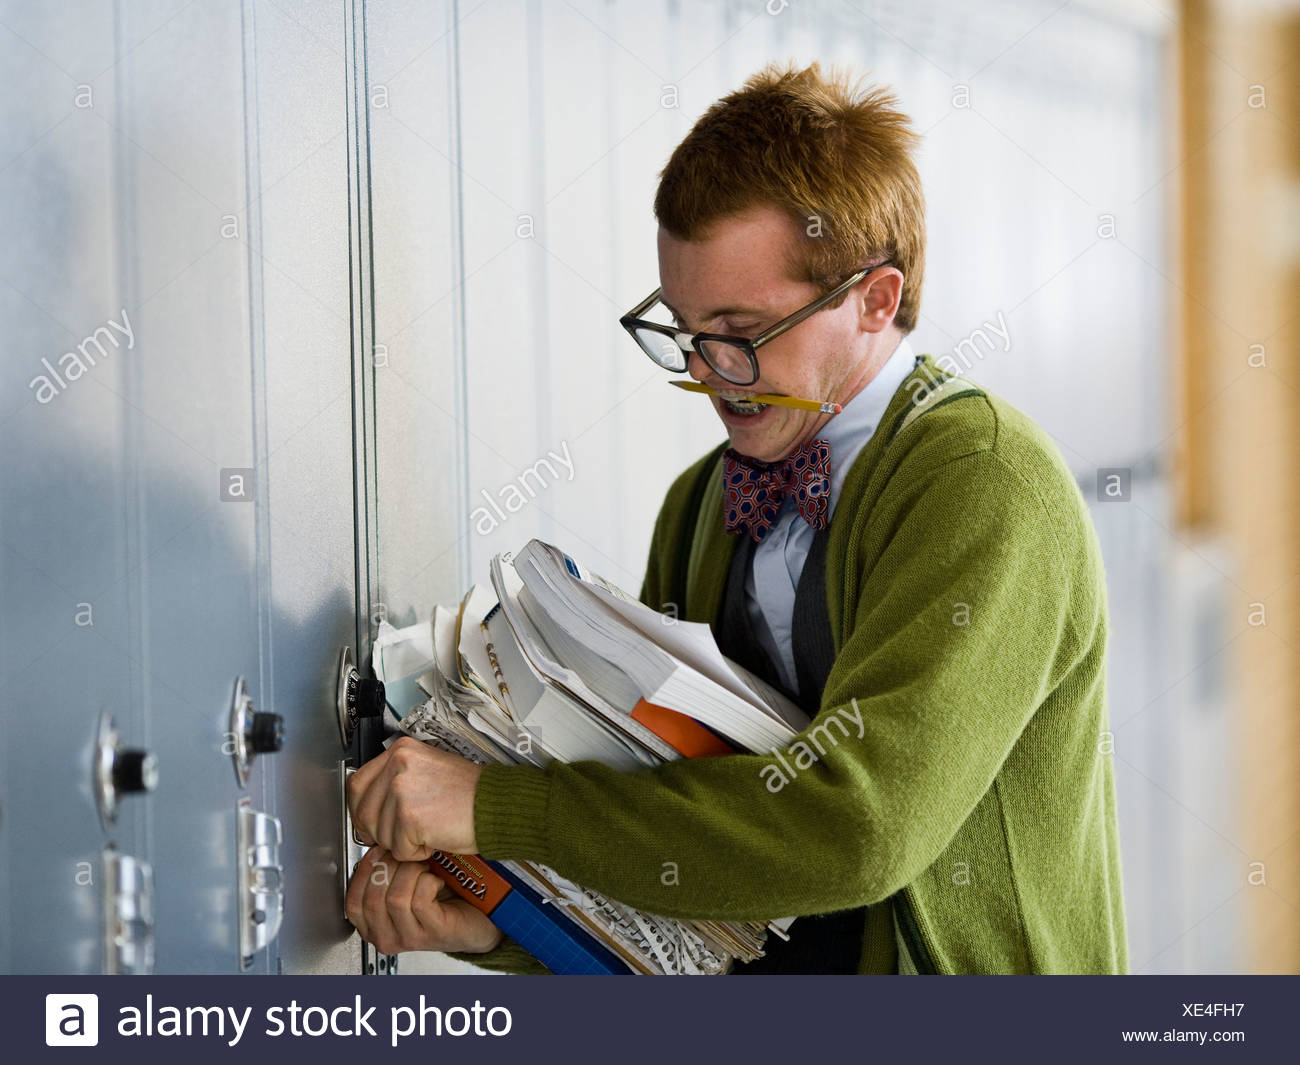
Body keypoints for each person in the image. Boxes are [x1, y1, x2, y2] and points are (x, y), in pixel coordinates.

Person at [345, 62, 1128, 974]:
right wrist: (503, 924)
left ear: (876, 299)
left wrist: (496, 807)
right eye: (683, 329)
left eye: (744, 332)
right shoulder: (702, 502)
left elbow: (856, 830)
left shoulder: (984, 481)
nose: (709, 371)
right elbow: (687, 868)